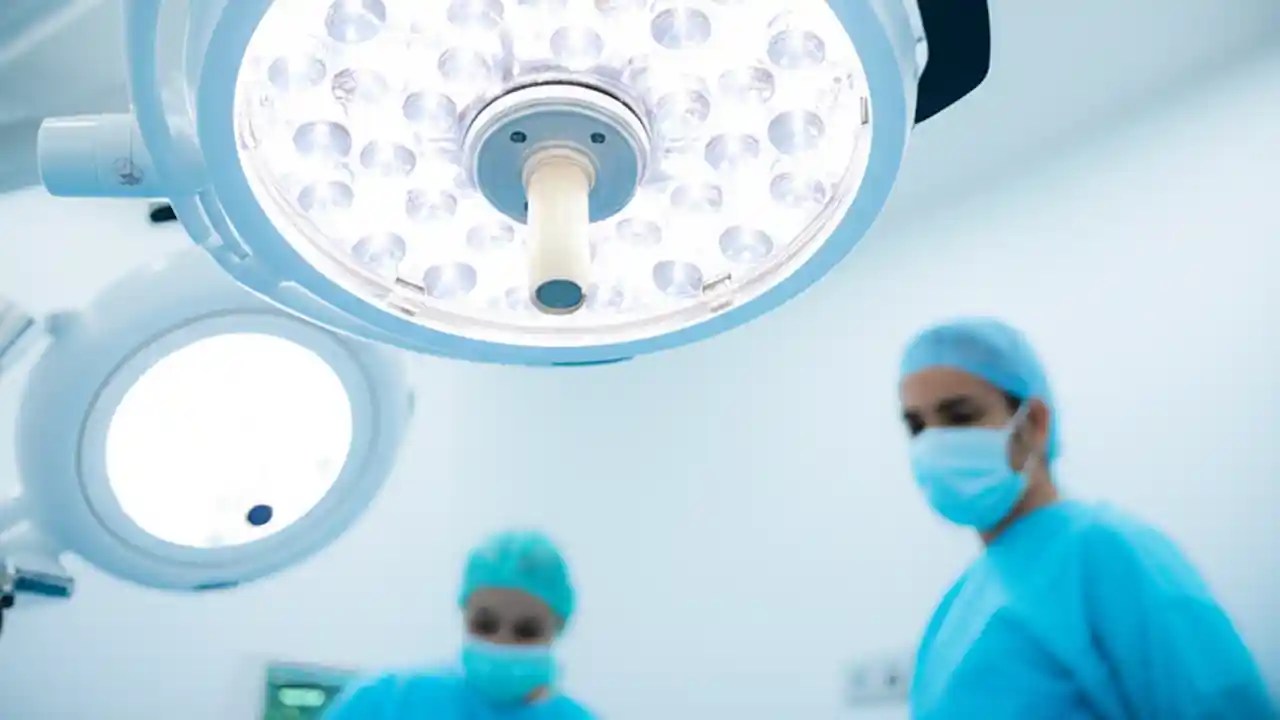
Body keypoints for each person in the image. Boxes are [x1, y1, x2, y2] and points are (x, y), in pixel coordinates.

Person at [898, 318, 1275, 719]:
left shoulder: (1108, 553)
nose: (933, 443)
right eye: (916, 426)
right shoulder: (959, 605)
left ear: (1035, 423)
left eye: (960, 416)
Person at [324, 530, 595, 719]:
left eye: (526, 631)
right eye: (485, 625)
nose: (501, 642)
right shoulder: (385, 701)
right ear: (464, 614)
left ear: (558, 628)